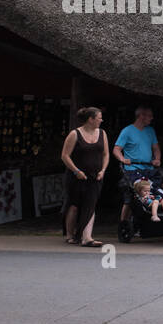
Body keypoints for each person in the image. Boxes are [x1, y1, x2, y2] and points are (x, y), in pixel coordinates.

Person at [60, 106, 109, 247]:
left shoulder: (102, 133)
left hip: (95, 176)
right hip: (77, 176)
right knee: (74, 206)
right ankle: (71, 234)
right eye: (99, 118)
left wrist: (103, 169)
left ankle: (87, 237)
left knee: (90, 204)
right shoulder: (75, 134)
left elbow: (105, 154)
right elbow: (65, 156)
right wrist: (76, 171)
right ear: (90, 119)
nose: (101, 120)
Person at [114, 105, 161, 222]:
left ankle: (144, 222)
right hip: (133, 169)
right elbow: (116, 149)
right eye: (149, 116)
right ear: (141, 116)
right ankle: (123, 223)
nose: (152, 118)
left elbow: (156, 148)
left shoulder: (150, 130)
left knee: (151, 194)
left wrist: (157, 159)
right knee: (132, 197)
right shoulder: (127, 131)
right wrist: (123, 159)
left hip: (148, 168)